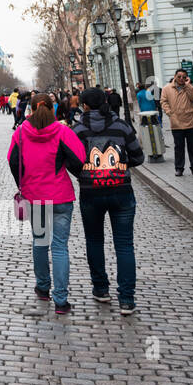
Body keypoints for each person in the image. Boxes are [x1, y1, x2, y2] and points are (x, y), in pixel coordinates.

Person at [7, 94, 86, 314]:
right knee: (60, 247)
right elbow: (79, 160)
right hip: (60, 196)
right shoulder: (62, 131)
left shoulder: (21, 132)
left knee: (40, 242)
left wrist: (23, 183)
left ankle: (43, 288)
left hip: (35, 197)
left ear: (30, 110)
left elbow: (13, 161)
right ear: (53, 109)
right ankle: (61, 300)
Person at [69, 87, 144, 315]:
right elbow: (138, 156)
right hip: (121, 190)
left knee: (94, 241)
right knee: (124, 245)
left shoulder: (78, 130)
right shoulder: (121, 126)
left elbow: (71, 162)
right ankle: (127, 299)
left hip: (91, 193)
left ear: (84, 106)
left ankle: (101, 289)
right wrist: (117, 167)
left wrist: (87, 172)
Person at [160, 70, 193, 176]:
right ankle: (179, 168)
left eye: (184, 77)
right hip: (176, 122)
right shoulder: (167, 88)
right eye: (179, 77)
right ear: (175, 77)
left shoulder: (189, 87)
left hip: (190, 121)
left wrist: (189, 86)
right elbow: (163, 102)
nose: (181, 79)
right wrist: (170, 113)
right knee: (179, 147)